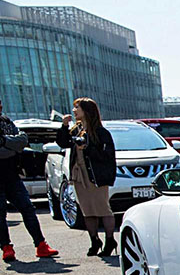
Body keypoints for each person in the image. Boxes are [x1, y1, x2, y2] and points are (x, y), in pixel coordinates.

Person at [56, 98, 117, 256]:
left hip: (95, 175)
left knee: (103, 208)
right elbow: (62, 142)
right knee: (87, 210)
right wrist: (64, 126)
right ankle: (94, 240)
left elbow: (107, 155)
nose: (74, 110)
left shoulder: (101, 132)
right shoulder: (76, 129)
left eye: (77, 108)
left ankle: (110, 240)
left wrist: (87, 148)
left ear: (87, 111)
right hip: (79, 174)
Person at [0, 97, 59, 261]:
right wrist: (12, 146)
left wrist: (5, 141)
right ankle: (6, 247)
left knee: (27, 208)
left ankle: (41, 245)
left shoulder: (6, 121)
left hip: (12, 175)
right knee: (0, 214)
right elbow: (12, 148)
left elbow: (23, 140)